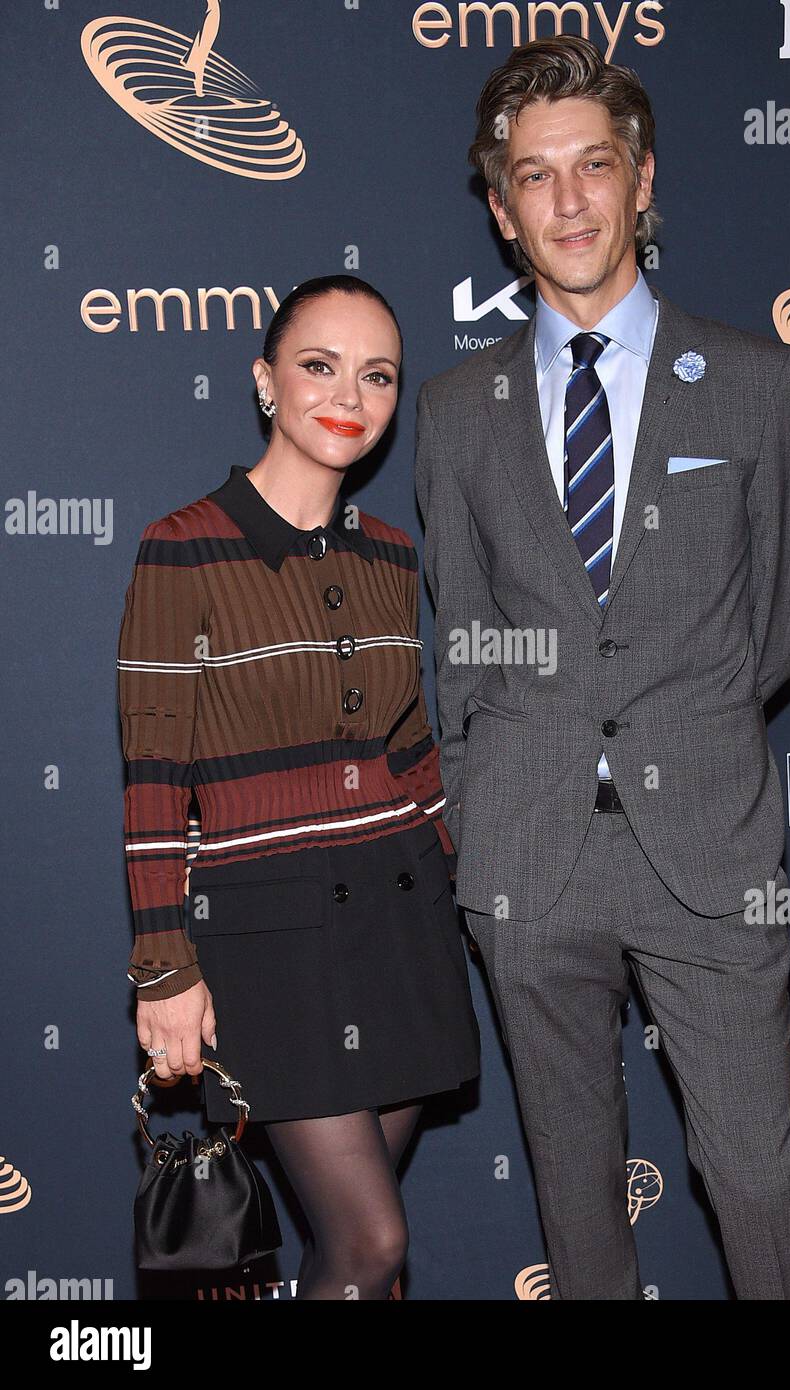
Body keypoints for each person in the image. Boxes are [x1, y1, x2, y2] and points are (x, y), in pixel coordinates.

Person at [414, 36, 790, 1299]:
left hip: (705, 844)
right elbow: (464, 636)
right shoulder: (451, 411)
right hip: (527, 857)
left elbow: (777, 629)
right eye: (533, 176)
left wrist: (677, 735)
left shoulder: (761, 387)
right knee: (575, 1195)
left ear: (641, 178)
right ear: (500, 208)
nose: (568, 200)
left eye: (592, 165)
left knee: (758, 1184)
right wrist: (486, 805)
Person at [117, 275, 480, 1300]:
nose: (347, 395)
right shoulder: (182, 549)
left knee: (344, 1251)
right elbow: (153, 779)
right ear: (264, 381)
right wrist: (162, 970)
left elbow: (412, 749)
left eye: (376, 376)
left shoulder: (391, 557)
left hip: (402, 924)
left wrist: (468, 880)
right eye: (319, 365)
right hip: (266, 944)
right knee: (372, 1244)